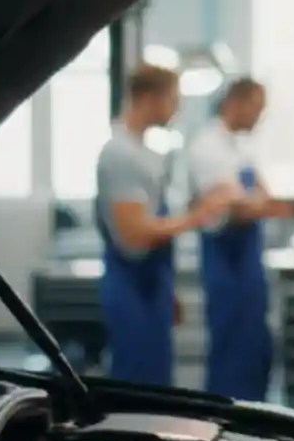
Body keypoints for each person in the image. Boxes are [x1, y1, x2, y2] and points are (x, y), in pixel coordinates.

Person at [96, 64, 232, 386]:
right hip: (132, 288)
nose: (178, 108)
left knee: (157, 383)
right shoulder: (120, 154)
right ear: (147, 97)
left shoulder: (144, 154)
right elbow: (135, 234)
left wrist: (168, 291)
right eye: (173, 99)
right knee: (136, 388)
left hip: (151, 286)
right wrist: (198, 215)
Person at [187, 77, 292, 400]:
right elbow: (235, 209)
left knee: (257, 351)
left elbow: (261, 196)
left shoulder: (241, 146)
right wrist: (280, 207)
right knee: (231, 353)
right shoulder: (207, 146)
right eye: (256, 109)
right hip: (226, 266)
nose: (259, 118)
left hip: (249, 270)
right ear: (235, 102)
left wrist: (269, 204)